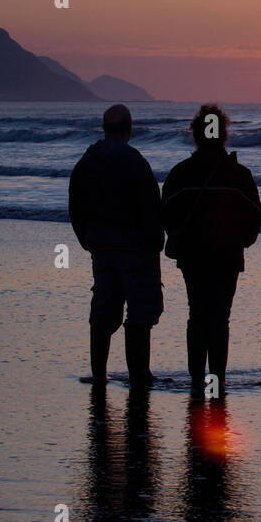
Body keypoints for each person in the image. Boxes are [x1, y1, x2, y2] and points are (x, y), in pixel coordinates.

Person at [162, 104, 261, 398]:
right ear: (223, 134)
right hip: (227, 255)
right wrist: (243, 241)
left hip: (192, 256)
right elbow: (256, 213)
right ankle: (216, 380)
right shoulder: (238, 174)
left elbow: (165, 212)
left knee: (197, 314)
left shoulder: (181, 173)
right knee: (219, 318)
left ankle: (197, 380)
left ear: (196, 135)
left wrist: (179, 234)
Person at [68, 104, 164, 386]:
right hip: (134, 246)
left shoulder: (88, 160)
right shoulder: (134, 160)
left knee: (104, 307)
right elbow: (150, 204)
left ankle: (99, 373)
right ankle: (139, 373)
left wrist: (85, 239)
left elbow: (75, 203)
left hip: (101, 245)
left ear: (104, 128)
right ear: (129, 129)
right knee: (140, 309)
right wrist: (156, 241)